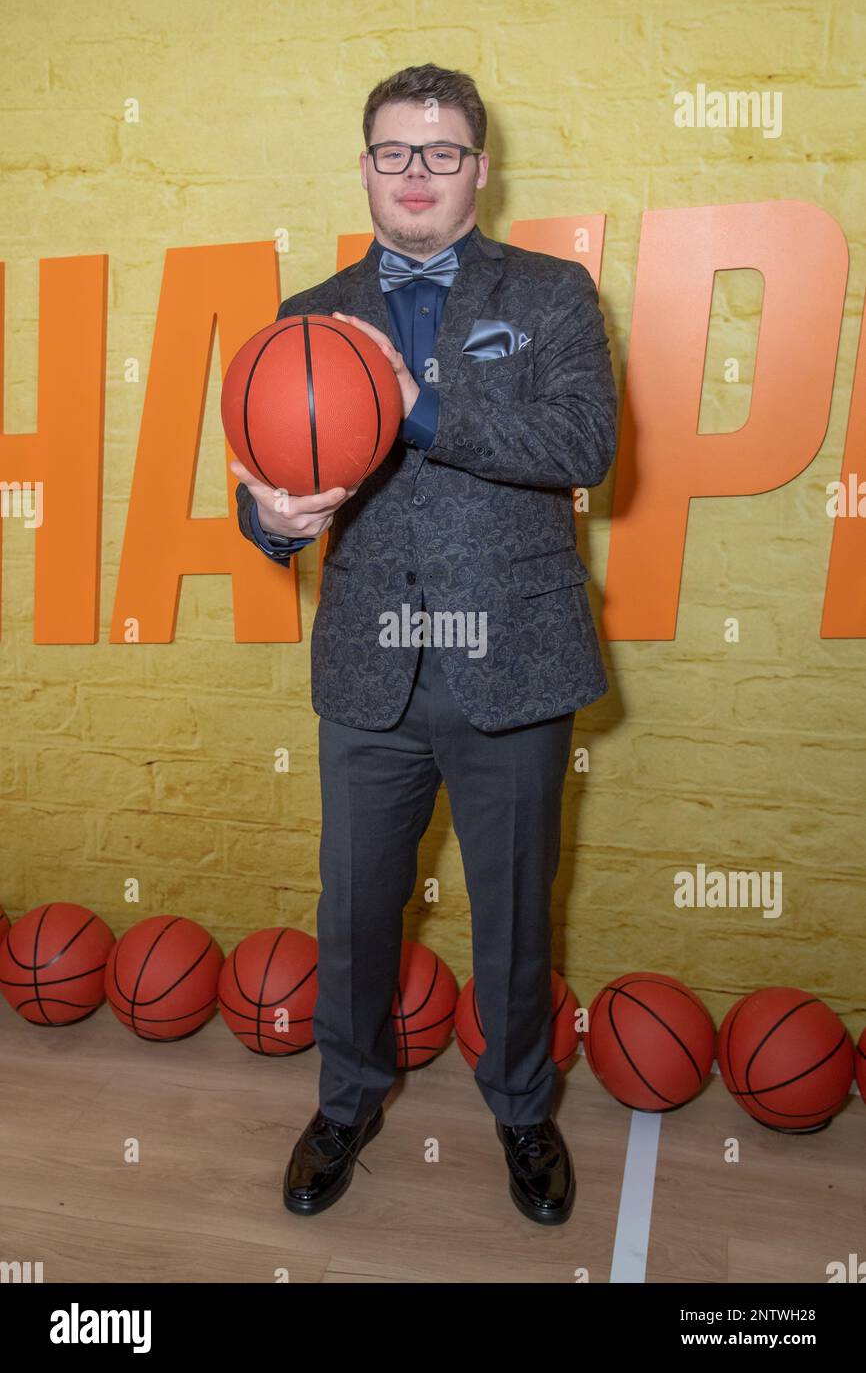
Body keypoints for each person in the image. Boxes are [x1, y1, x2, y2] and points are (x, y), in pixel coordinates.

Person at [231, 62, 618, 1226]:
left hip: (515, 659)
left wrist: (420, 406)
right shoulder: (303, 315)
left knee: (510, 908)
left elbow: (583, 440)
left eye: (440, 152)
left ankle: (518, 1111)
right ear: (362, 167)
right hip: (368, 665)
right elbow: (264, 477)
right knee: (352, 909)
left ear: (478, 170)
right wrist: (269, 522)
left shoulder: (549, 294)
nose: (415, 173)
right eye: (393, 151)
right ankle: (345, 1100)